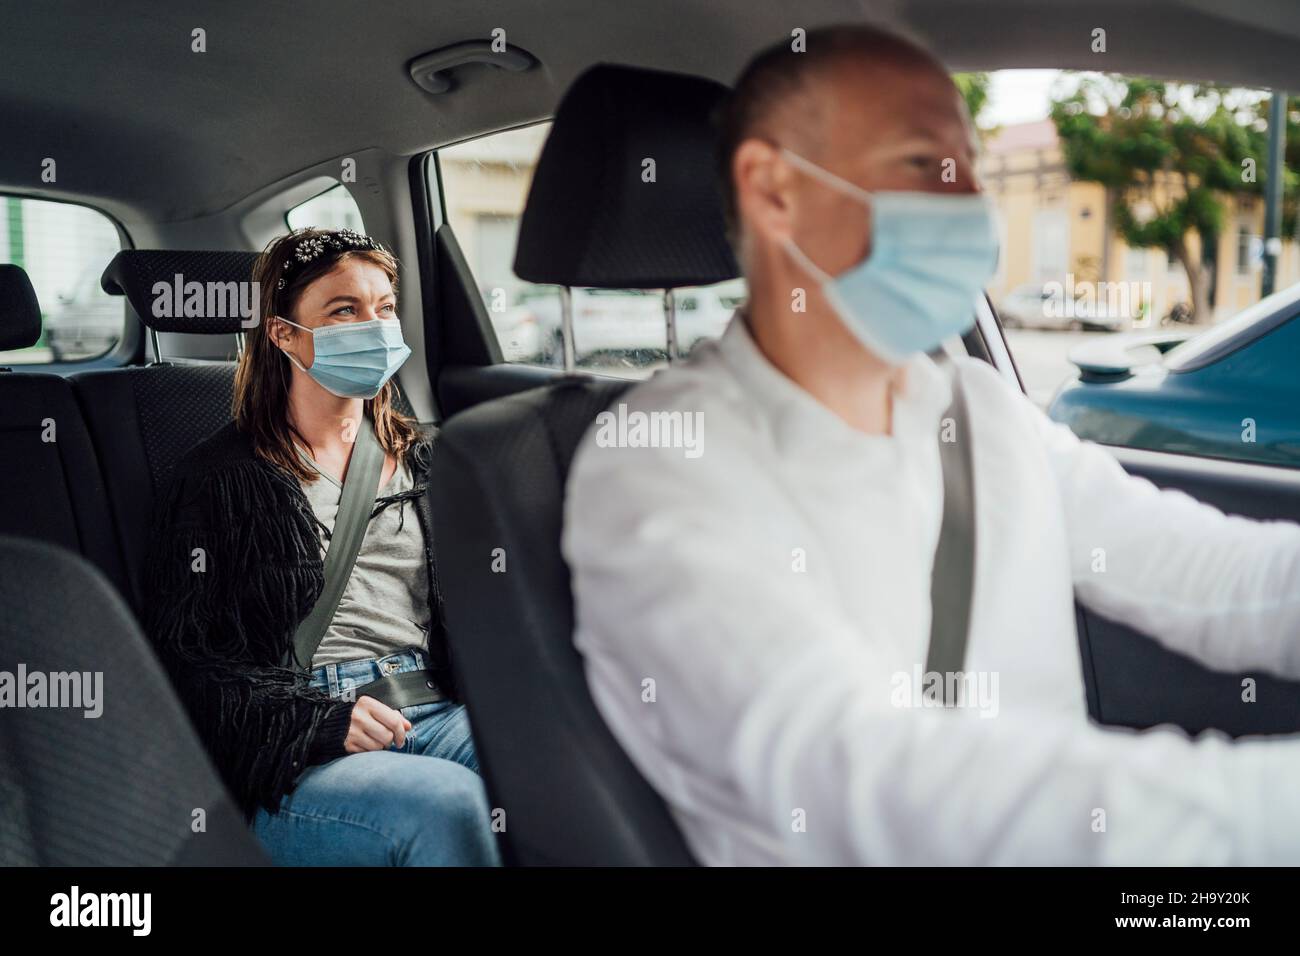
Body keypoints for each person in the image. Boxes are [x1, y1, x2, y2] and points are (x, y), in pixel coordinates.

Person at [562, 26, 1300, 865]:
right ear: (774, 192)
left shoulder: (978, 408)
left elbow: (1205, 571)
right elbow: (870, 777)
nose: (973, 201)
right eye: (927, 164)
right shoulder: (659, 465)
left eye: (973, 168)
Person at [146, 228, 499, 866]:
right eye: (344, 310)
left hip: (435, 708)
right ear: (284, 334)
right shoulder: (218, 481)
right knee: (448, 804)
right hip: (299, 747)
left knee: (562, 760)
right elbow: (188, 665)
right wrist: (320, 722)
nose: (375, 326)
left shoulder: (431, 459)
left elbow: (491, 606)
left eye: (384, 307)